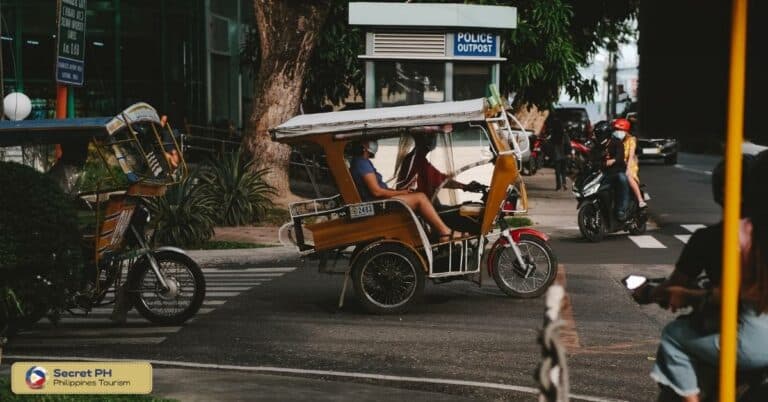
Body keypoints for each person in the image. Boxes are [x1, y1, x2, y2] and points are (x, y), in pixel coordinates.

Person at [649, 151, 768, 401]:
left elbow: (736, 292)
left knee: (674, 335)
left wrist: (687, 295)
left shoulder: (737, 235)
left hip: (750, 342)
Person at [349, 139, 461, 241]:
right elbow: (376, 191)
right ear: (363, 145)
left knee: (419, 196)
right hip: (378, 204)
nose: (374, 142)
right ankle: (445, 233)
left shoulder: (362, 162)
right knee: (420, 198)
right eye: (370, 140)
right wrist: (401, 192)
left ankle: (432, 233)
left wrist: (399, 191)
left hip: (381, 200)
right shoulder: (361, 163)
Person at [396, 124, 483, 200]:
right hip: (415, 207)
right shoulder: (416, 159)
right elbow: (440, 180)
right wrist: (465, 187)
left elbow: (440, 179)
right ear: (423, 139)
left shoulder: (419, 158)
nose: (433, 141)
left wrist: (465, 187)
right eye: (431, 137)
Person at [613, 118, 646, 208]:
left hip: (629, 164)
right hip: (617, 163)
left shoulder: (631, 140)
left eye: (620, 130)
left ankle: (640, 200)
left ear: (626, 130)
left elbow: (631, 156)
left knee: (628, 177)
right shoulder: (614, 140)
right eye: (616, 129)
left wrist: (627, 169)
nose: (617, 132)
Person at [604, 124, 629, 220]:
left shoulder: (617, 142)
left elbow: (620, 156)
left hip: (618, 171)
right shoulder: (598, 145)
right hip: (605, 173)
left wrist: (613, 160)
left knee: (622, 179)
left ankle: (621, 210)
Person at [548, 117, 572, 191]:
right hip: (564, 154)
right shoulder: (564, 134)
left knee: (557, 171)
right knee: (563, 171)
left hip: (556, 155)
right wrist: (568, 153)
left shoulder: (553, 135)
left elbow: (550, 144)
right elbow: (568, 144)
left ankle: (558, 186)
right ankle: (564, 183)